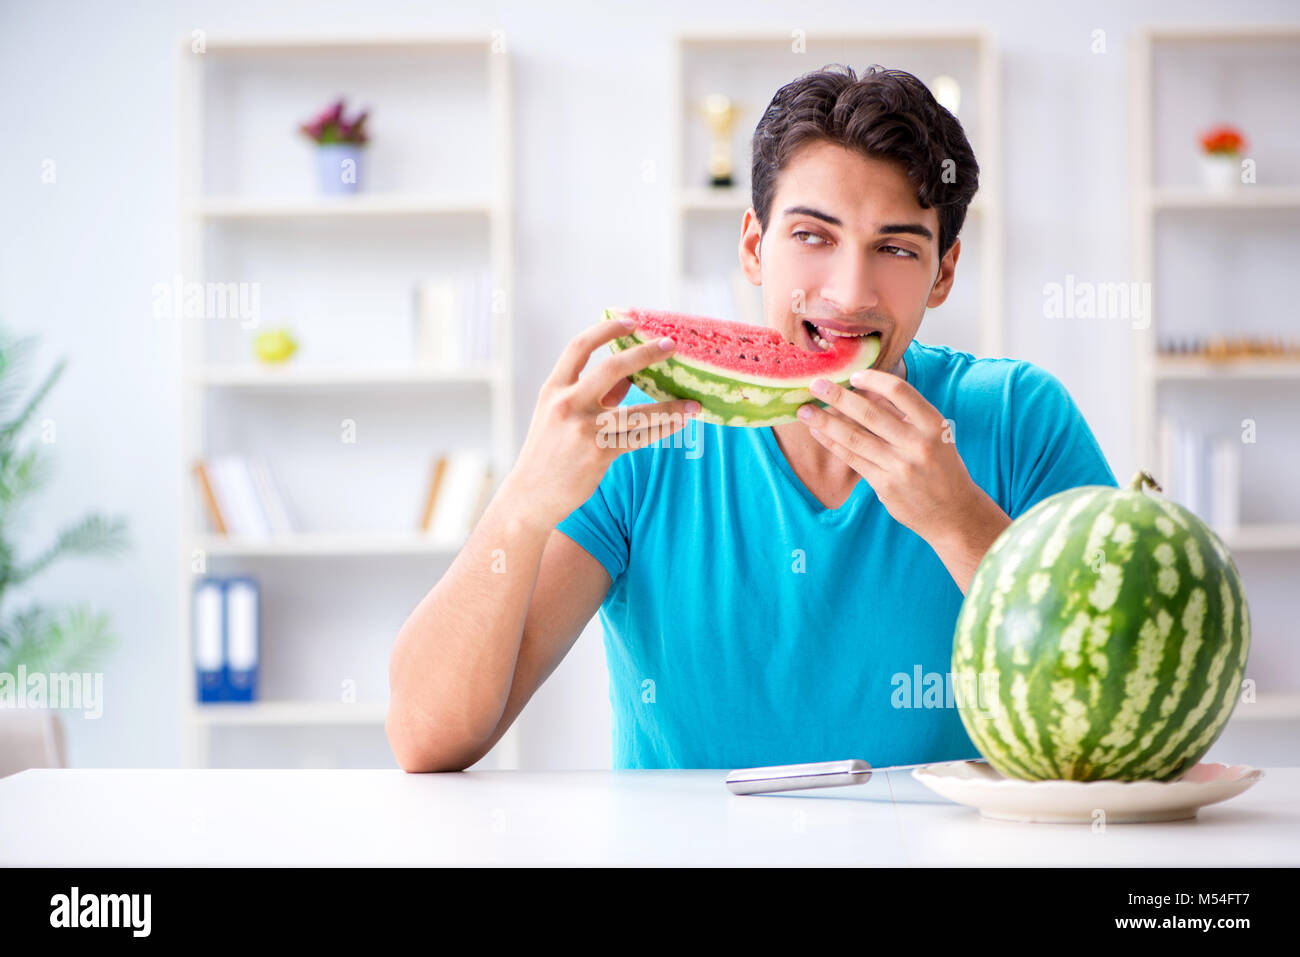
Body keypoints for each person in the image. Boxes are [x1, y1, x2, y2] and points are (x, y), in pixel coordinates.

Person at [387, 64, 1117, 772]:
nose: (848, 290)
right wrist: (523, 503)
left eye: (894, 247)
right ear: (752, 247)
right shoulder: (643, 432)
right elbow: (429, 738)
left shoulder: (1021, 418)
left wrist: (960, 523)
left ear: (945, 271)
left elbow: (1112, 716)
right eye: (812, 236)